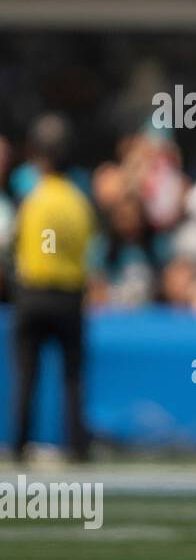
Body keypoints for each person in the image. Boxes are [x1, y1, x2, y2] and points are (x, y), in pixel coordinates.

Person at [10, 114, 98, 463]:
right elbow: (87, 247)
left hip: (32, 293)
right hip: (68, 295)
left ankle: (20, 445)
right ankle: (77, 444)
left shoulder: (32, 197)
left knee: (27, 375)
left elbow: (15, 242)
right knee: (73, 377)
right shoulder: (78, 201)